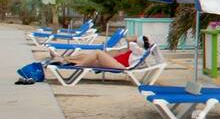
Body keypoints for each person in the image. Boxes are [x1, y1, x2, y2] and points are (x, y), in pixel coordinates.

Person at [15, 36, 152, 84]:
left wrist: (143, 42)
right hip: (114, 61)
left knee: (97, 53)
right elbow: (128, 41)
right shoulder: (130, 48)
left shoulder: (138, 51)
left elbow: (133, 43)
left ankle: (76, 66)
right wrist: (137, 39)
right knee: (84, 55)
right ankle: (62, 59)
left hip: (120, 67)